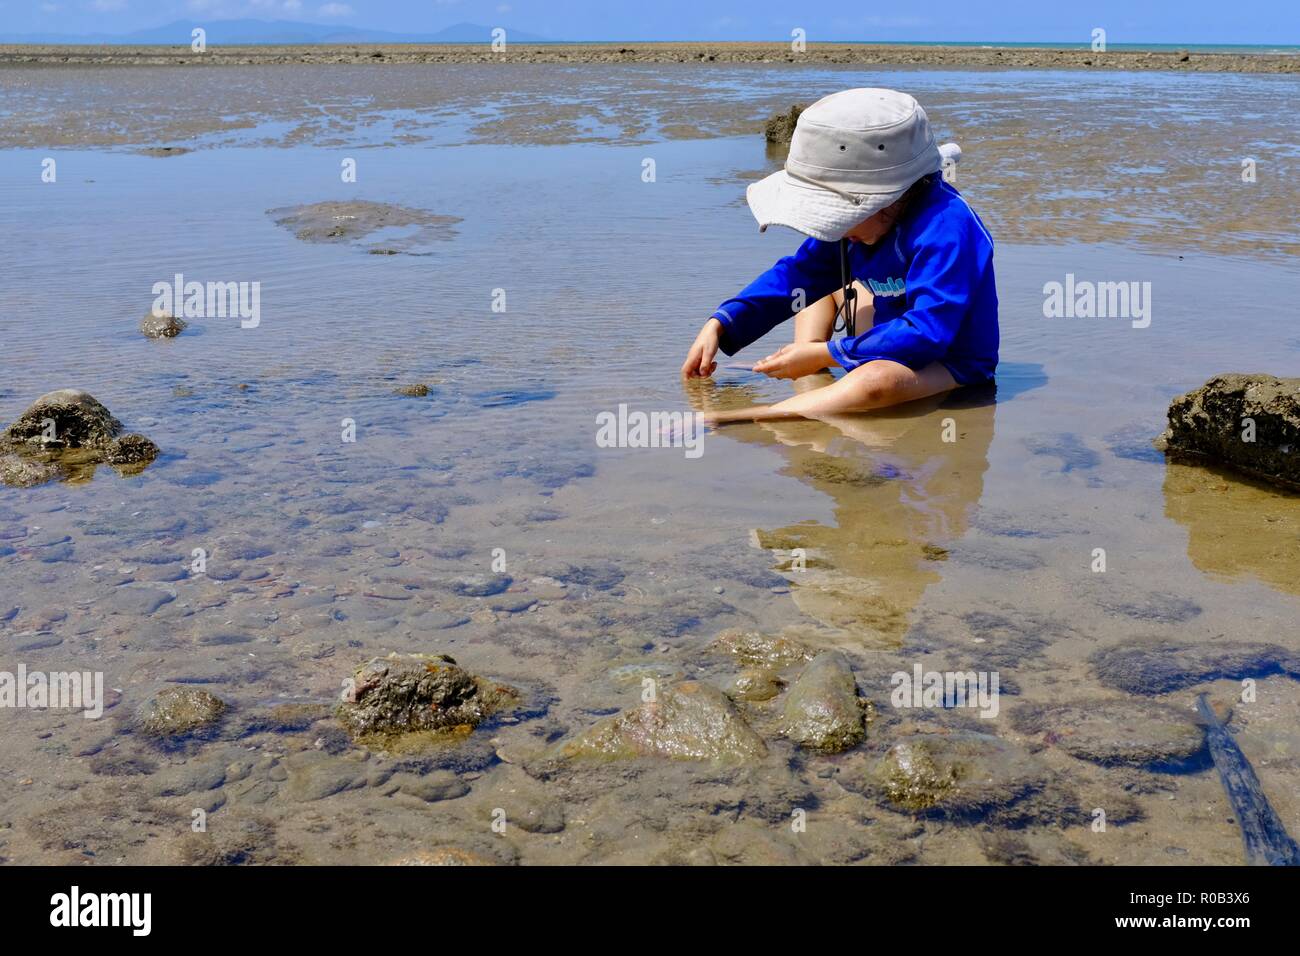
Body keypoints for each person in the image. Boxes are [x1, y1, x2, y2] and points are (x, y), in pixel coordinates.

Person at [681, 88, 998, 424]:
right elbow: (797, 275)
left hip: (947, 362)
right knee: (814, 287)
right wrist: (722, 322)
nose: (834, 230)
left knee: (876, 383)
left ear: (889, 199)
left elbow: (928, 333)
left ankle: (753, 414)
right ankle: (805, 370)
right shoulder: (857, 229)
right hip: (883, 327)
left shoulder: (949, 229)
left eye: (835, 216)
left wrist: (830, 352)